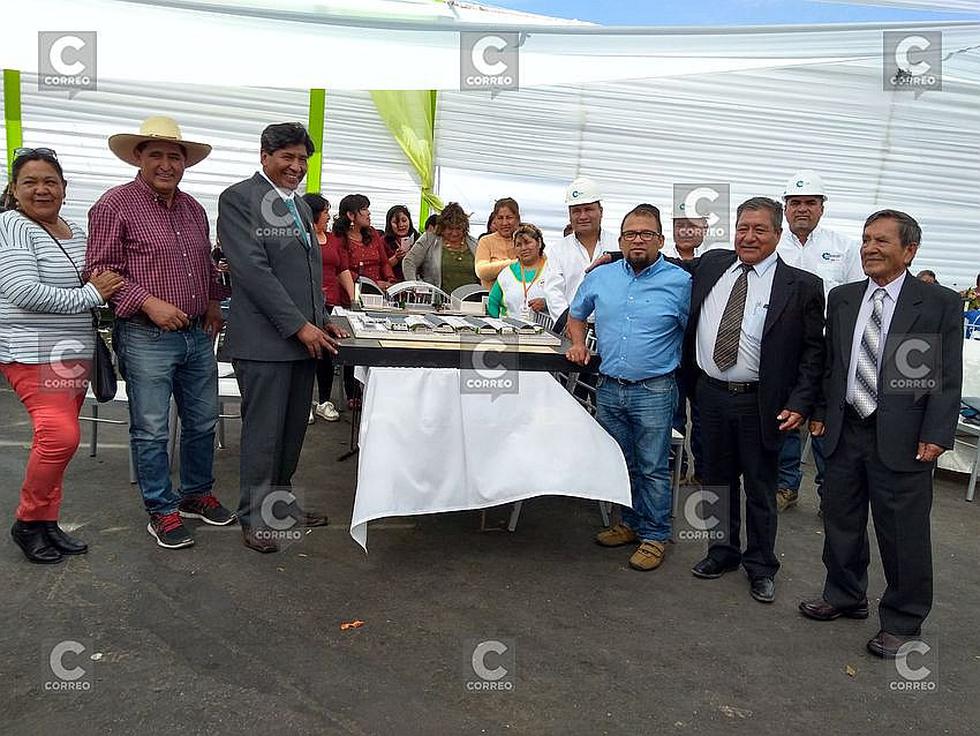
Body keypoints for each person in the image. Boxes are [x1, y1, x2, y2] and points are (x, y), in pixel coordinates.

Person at [800, 210, 962, 659]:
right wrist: (818, 411)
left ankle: (904, 620)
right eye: (867, 239)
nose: (870, 248)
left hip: (905, 437)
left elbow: (945, 376)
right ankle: (844, 594)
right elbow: (832, 363)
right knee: (841, 519)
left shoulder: (937, 303)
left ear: (910, 251)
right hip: (845, 428)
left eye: (882, 241)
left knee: (903, 533)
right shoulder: (845, 297)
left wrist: (936, 433)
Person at [86, 116, 233, 550]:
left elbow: (205, 264)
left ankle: (195, 494)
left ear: (185, 162)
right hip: (145, 334)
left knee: (203, 421)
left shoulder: (192, 208)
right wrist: (149, 302)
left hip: (195, 333)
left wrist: (211, 300)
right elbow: (99, 271)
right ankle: (161, 510)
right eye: (157, 155)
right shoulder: (114, 205)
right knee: (150, 428)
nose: (166, 164)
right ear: (138, 157)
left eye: (174, 156)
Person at [686, 196, 824, 603]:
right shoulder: (713, 265)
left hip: (760, 403)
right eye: (743, 228)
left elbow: (814, 353)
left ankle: (761, 565)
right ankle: (721, 552)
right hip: (709, 397)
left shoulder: (802, 286)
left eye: (760, 229)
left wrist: (801, 403)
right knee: (715, 480)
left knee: (761, 488)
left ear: (778, 235)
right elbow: (672, 266)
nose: (749, 237)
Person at [217, 122, 345, 553]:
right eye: (287, 157)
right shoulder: (240, 199)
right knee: (264, 434)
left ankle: (281, 505)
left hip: (303, 341)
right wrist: (298, 325)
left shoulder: (302, 208)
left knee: (292, 432)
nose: (295, 166)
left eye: (302, 159)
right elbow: (253, 271)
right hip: (265, 342)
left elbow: (307, 275)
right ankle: (253, 518)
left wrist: (321, 318)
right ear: (264, 156)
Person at [0, 149, 123, 563]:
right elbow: (22, 291)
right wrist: (92, 294)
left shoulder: (73, 230)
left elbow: (97, 272)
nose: (41, 189)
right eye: (30, 182)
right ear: (15, 191)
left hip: (72, 353)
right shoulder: (12, 226)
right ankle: (27, 522)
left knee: (58, 441)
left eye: (50, 181)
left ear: (64, 189)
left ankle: (47, 522)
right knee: (59, 436)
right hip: (32, 353)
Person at [566, 204, 691, 571]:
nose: (638, 240)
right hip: (609, 387)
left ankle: (655, 535)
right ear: (620, 240)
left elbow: (693, 328)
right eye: (631, 234)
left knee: (652, 465)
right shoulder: (602, 276)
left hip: (655, 389)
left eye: (646, 234)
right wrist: (577, 343)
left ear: (660, 240)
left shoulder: (680, 282)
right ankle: (630, 524)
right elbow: (576, 313)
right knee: (621, 461)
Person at [774, 170, 864, 513]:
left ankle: (830, 494)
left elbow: (858, 298)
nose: (802, 209)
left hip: (829, 351)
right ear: (784, 207)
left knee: (827, 426)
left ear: (822, 207)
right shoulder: (772, 246)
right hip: (785, 351)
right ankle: (785, 485)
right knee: (786, 420)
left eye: (810, 202)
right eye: (795, 202)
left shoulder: (844, 248)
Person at [304, 193, 354, 423]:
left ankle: (324, 400)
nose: (328, 217)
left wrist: (353, 298)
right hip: (306, 304)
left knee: (326, 353)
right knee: (304, 355)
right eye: (325, 212)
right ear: (314, 214)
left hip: (331, 304)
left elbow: (343, 270)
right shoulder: (300, 237)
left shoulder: (333, 239)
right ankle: (303, 405)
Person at [542, 177, 619, 322]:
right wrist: (568, 325)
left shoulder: (618, 245)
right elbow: (553, 293)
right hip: (571, 328)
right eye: (576, 211)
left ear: (600, 211)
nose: (583, 216)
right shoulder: (558, 250)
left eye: (588, 209)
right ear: (569, 215)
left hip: (613, 327)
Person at [402, 202, 478, 295]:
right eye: (450, 228)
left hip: (472, 302)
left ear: (464, 227)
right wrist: (415, 286)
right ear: (442, 227)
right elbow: (409, 262)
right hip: (437, 302)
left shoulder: (475, 244)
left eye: (458, 228)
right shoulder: (429, 239)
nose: (454, 233)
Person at [329, 194, 394, 291]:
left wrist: (390, 282)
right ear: (351, 215)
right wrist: (372, 284)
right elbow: (343, 270)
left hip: (381, 291)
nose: (369, 213)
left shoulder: (372, 233)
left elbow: (385, 263)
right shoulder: (339, 238)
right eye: (364, 209)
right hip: (354, 290)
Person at [486, 223, 547, 319]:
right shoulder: (506, 273)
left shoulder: (552, 269)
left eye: (527, 243)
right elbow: (492, 302)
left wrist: (546, 304)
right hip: (510, 331)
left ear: (539, 243)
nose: (523, 248)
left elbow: (565, 299)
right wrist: (498, 326)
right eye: (518, 245)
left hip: (545, 331)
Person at [474, 197, 520, 289]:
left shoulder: (527, 240)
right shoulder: (486, 241)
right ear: (494, 220)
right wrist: (516, 264)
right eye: (500, 218)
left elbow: (539, 266)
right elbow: (482, 271)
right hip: (492, 299)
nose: (504, 222)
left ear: (517, 219)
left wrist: (495, 269)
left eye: (509, 218)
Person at [382, 205, 418, 283]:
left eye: (404, 220)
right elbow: (380, 268)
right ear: (389, 224)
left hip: (415, 282)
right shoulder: (383, 241)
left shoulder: (418, 238)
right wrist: (396, 258)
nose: (401, 225)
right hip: (392, 283)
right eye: (395, 222)